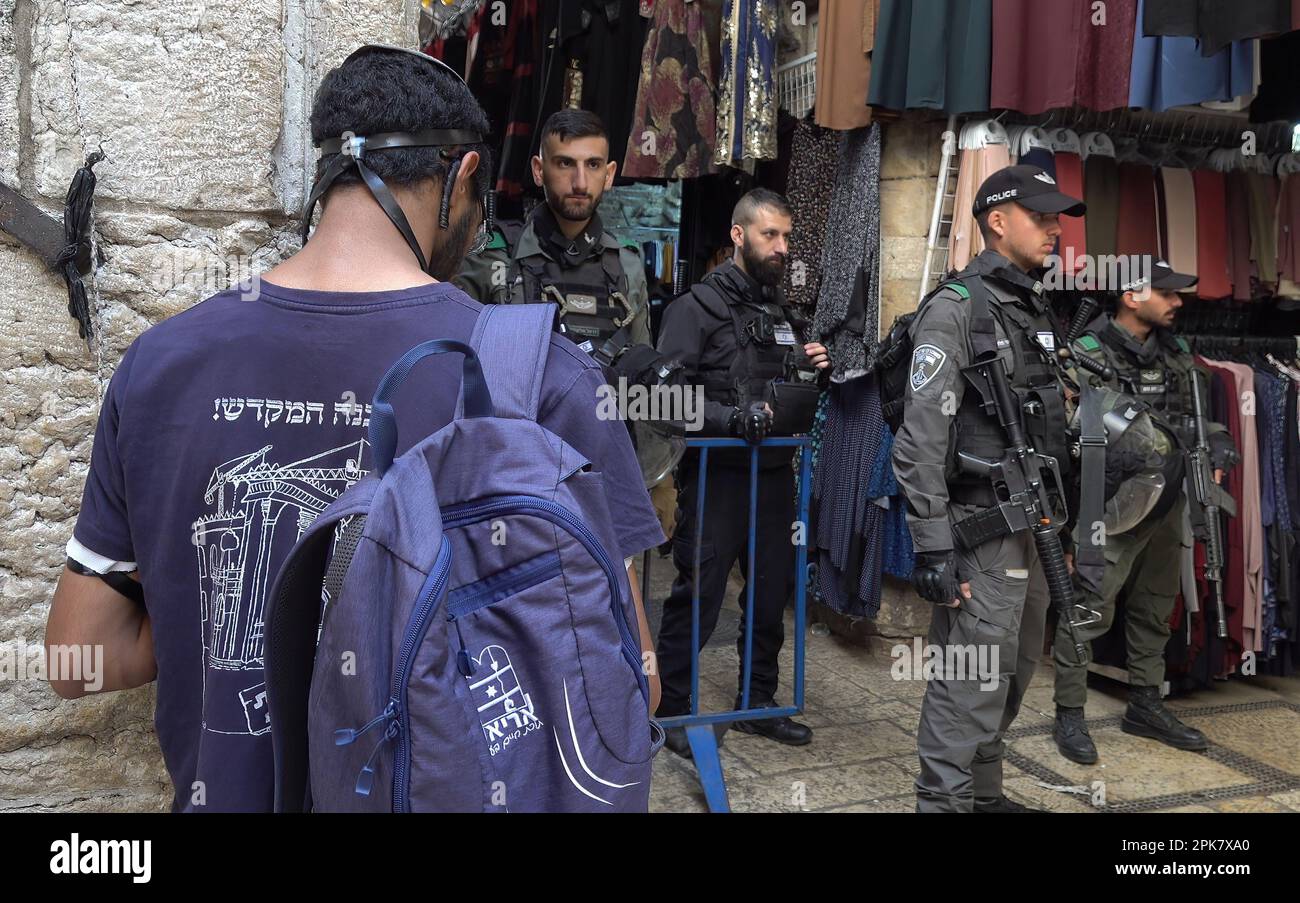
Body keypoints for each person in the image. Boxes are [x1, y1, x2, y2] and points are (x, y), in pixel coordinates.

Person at [44, 45, 664, 812]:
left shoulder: (159, 365)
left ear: (325, 175)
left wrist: (203, 613)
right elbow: (630, 683)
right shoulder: (545, 379)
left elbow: (78, 655)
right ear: (464, 176)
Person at [893, 164, 1085, 813]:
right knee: (968, 681)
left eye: (1057, 218)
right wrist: (933, 548)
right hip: (981, 531)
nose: (1055, 229)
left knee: (1017, 668)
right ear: (997, 221)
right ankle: (941, 803)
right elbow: (919, 440)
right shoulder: (956, 308)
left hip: (1034, 526)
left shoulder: (1031, 306)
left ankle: (984, 794)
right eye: (1042, 216)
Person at [653, 188, 829, 754]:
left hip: (773, 476)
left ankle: (758, 703)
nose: (781, 247)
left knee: (770, 594)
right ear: (738, 235)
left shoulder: (781, 313)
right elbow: (663, 401)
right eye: (768, 234)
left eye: (786, 236)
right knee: (699, 597)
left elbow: (783, 390)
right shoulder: (694, 308)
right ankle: (670, 711)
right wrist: (730, 417)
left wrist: (811, 371)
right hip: (718, 478)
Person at [1052, 260, 1237, 764]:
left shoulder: (1176, 354)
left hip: (1168, 501)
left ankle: (1145, 704)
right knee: (1089, 607)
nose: (1177, 302)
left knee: (1155, 607)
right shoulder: (1086, 353)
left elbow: (1195, 419)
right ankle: (1069, 712)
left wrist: (1219, 445)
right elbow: (1064, 434)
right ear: (1132, 296)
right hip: (1109, 504)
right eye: (1167, 293)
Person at [454, 109, 650, 360]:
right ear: (538, 170)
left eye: (593, 165)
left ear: (609, 174)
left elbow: (641, 368)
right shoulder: (491, 257)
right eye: (565, 163)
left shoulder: (627, 266)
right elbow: (457, 363)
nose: (580, 183)